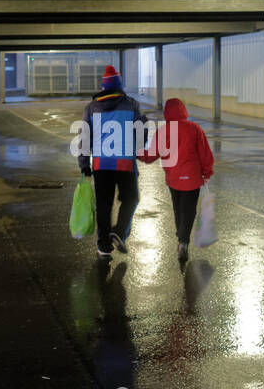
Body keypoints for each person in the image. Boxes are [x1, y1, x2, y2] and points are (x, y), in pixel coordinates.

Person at [78, 65, 146, 258]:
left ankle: (103, 247)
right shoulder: (131, 104)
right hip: (125, 163)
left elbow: (84, 138)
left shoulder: (91, 108)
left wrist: (84, 165)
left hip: (101, 164)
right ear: (119, 85)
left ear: (103, 86)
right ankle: (120, 230)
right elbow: (139, 136)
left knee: (104, 205)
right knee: (131, 198)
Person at [139, 97, 214, 259]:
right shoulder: (195, 129)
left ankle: (180, 237)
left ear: (167, 113)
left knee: (178, 208)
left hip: (173, 179)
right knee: (189, 210)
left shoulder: (163, 131)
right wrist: (207, 173)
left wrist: (135, 152)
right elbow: (205, 153)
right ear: (183, 110)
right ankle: (183, 241)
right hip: (193, 179)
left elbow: (149, 156)